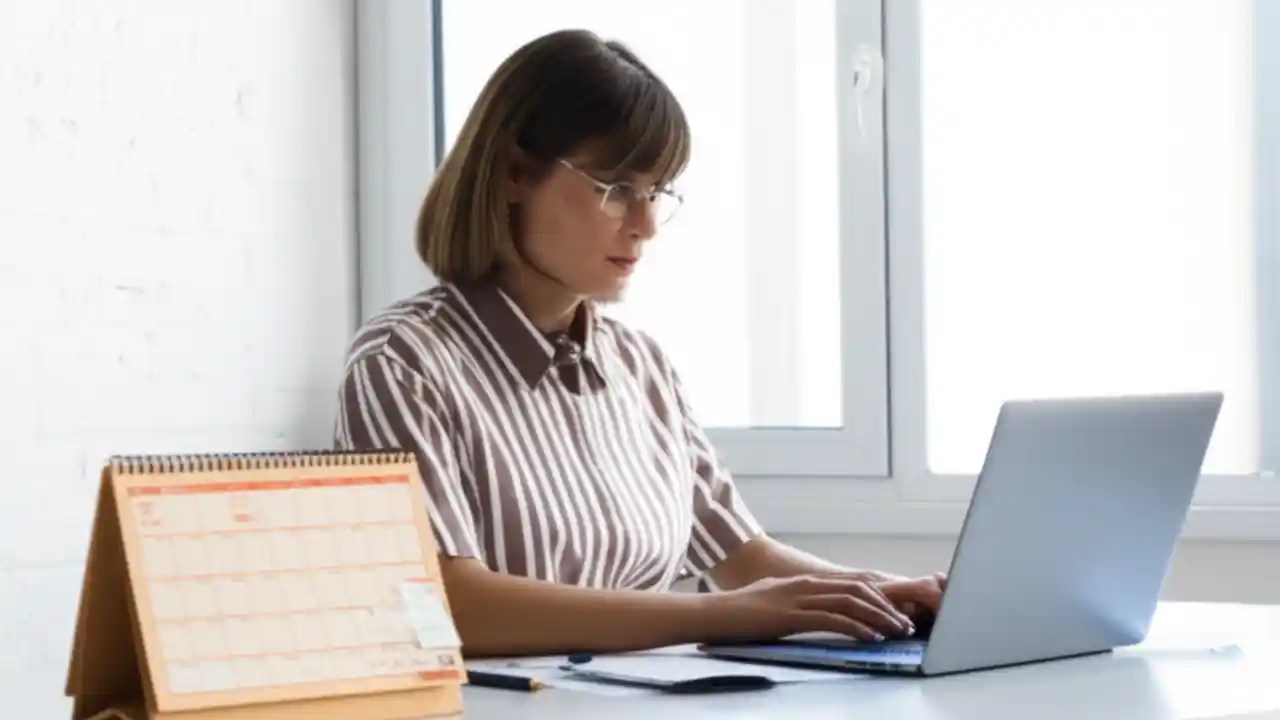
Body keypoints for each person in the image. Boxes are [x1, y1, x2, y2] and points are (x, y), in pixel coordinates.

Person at [335, 29, 946, 657]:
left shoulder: (640, 365)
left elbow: (743, 557)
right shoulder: (402, 363)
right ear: (514, 173)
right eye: (618, 190)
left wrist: (888, 591)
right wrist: (718, 615)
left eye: (656, 193)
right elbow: (449, 604)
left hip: (648, 695)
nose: (646, 225)